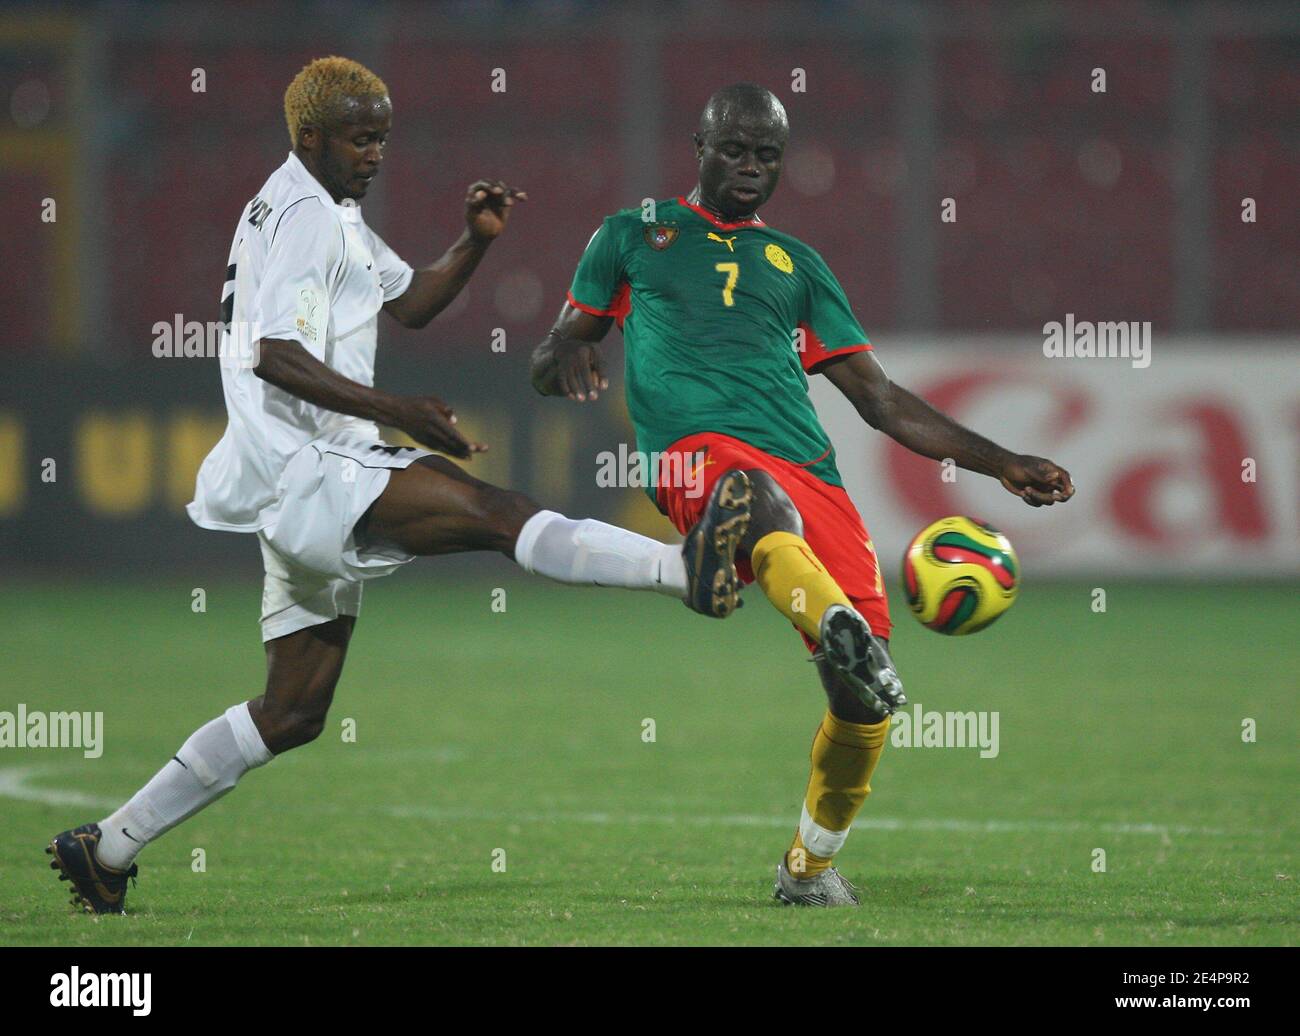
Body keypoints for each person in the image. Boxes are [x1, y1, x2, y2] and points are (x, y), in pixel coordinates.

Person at [46, 57, 751, 916]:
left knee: (294, 709)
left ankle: (108, 846)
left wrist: (476, 241)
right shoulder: (305, 213)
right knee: (499, 514)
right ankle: (687, 571)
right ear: (310, 135)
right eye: (359, 136)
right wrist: (396, 410)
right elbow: (273, 351)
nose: (376, 152)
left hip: (288, 482)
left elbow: (410, 302)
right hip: (314, 465)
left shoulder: (319, 208)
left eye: (383, 135)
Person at [530, 83, 1075, 906]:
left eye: (768, 156)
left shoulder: (798, 266)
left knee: (866, 701)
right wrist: (562, 359)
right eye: (736, 150)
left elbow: (880, 400)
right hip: (693, 452)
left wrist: (999, 461)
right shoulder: (630, 237)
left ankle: (809, 868)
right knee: (752, 497)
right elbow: (553, 350)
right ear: (700, 145)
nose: (751, 168)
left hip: (809, 469)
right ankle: (829, 621)